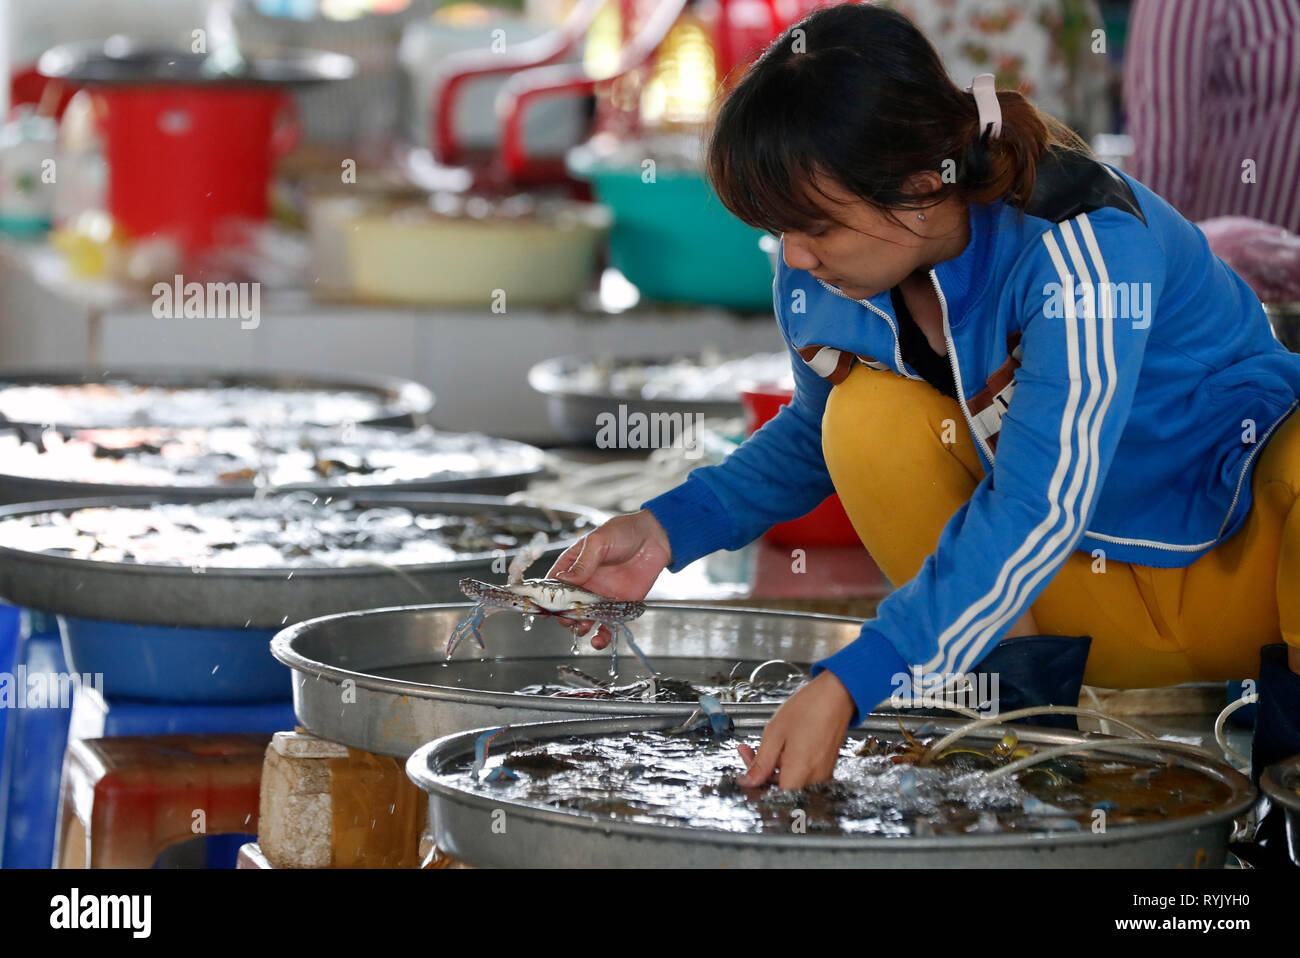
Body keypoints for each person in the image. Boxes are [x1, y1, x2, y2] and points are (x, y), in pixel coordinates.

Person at [547, 4, 1300, 798]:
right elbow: (811, 437)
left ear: (917, 185)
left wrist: (852, 682)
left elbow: (1040, 505)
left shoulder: (1082, 250)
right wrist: (664, 530)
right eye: (777, 228)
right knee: (864, 418)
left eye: (815, 228)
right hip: (1074, 603)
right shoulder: (820, 273)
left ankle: (1287, 789)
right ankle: (1018, 758)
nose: (793, 255)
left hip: (1239, 587)